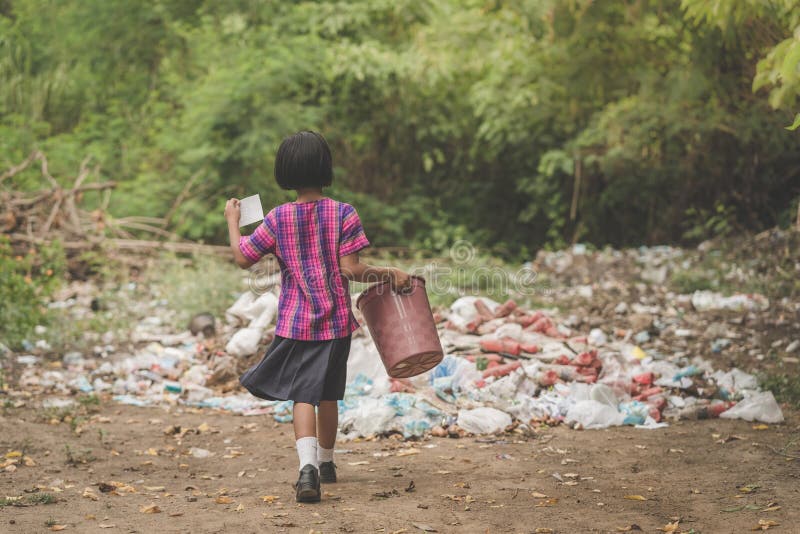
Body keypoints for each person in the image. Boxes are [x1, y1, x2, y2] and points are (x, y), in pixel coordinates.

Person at [224, 130, 411, 503]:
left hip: (295, 324)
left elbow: (243, 257)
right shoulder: (343, 213)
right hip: (337, 323)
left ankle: (307, 468)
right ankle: (326, 463)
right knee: (328, 395)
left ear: (284, 173)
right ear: (326, 168)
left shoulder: (277, 218)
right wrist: (389, 273)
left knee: (302, 396)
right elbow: (352, 270)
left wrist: (233, 219)